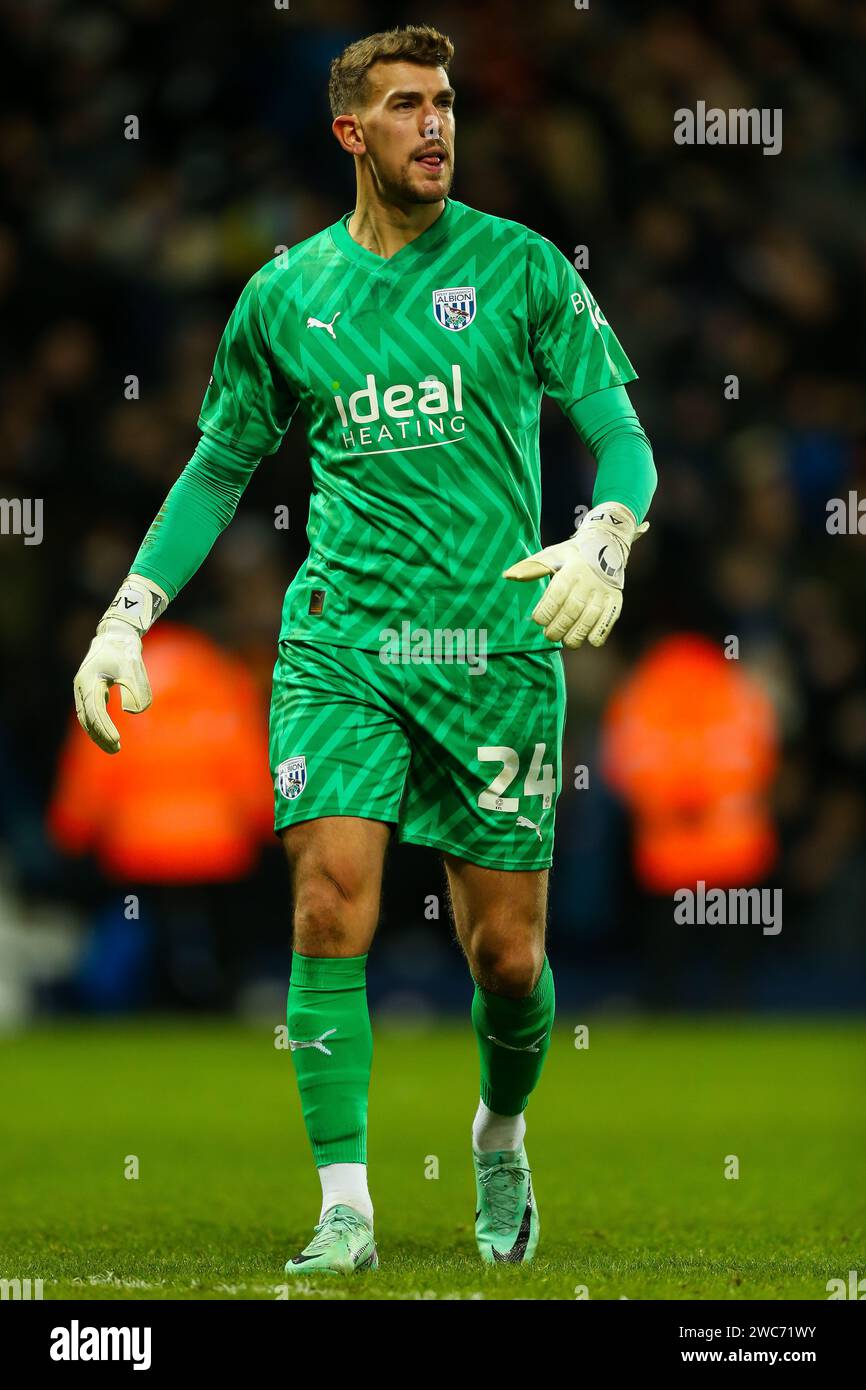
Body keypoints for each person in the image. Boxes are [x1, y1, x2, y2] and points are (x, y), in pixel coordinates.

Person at [73, 24, 656, 1274]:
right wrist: (128, 613)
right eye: (406, 105)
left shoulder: (521, 268)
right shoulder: (284, 296)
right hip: (342, 644)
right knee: (328, 898)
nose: (436, 124)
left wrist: (605, 532)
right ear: (350, 131)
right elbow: (219, 464)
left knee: (506, 956)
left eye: (445, 103)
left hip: (494, 649)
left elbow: (622, 435)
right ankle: (346, 1202)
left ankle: (498, 1130)